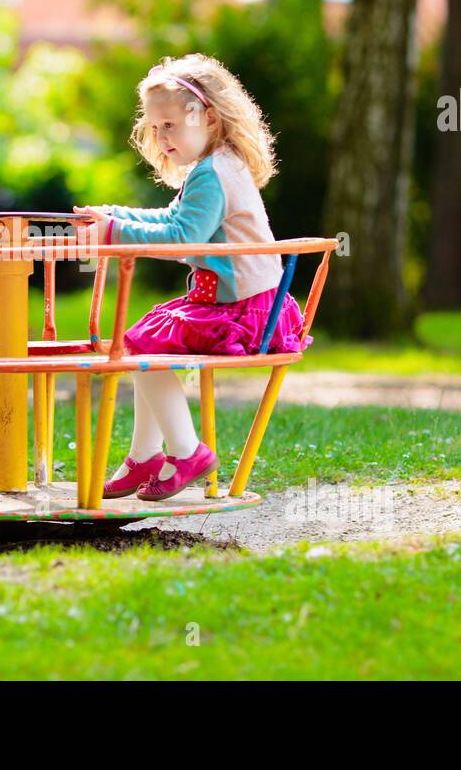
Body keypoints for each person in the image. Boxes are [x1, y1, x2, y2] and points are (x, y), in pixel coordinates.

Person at [73, 53, 312, 501]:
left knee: (141, 346)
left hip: (241, 310)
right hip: (241, 302)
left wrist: (114, 231)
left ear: (209, 117)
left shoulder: (213, 173)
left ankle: (185, 451)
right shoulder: (218, 164)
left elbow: (182, 236)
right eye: (155, 126)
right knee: (144, 342)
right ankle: (144, 456)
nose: (162, 137)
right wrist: (113, 214)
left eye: (171, 125)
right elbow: (174, 216)